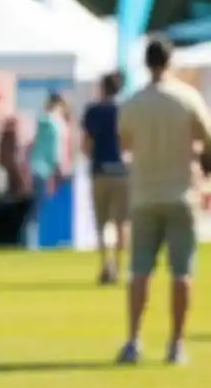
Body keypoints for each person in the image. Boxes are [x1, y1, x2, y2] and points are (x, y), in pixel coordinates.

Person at [116, 39, 211, 366]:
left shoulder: (133, 103)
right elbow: (207, 139)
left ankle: (133, 339)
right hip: (181, 192)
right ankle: (176, 343)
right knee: (182, 271)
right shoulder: (187, 98)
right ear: (170, 62)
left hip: (144, 192)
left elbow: (125, 144)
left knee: (139, 270)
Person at [82, 73, 129, 284]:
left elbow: (86, 143)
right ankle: (120, 266)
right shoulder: (125, 109)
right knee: (122, 222)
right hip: (121, 170)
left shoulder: (93, 111)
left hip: (100, 169)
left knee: (101, 222)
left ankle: (105, 265)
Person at [24, 93, 69, 250]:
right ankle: (32, 244)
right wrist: (60, 169)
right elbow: (56, 150)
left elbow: (30, 146)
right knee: (36, 211)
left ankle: (31, 243)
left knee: (34, 210)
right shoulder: (56, 124)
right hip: (45, 170)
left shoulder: (41, 121)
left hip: (35, 168)